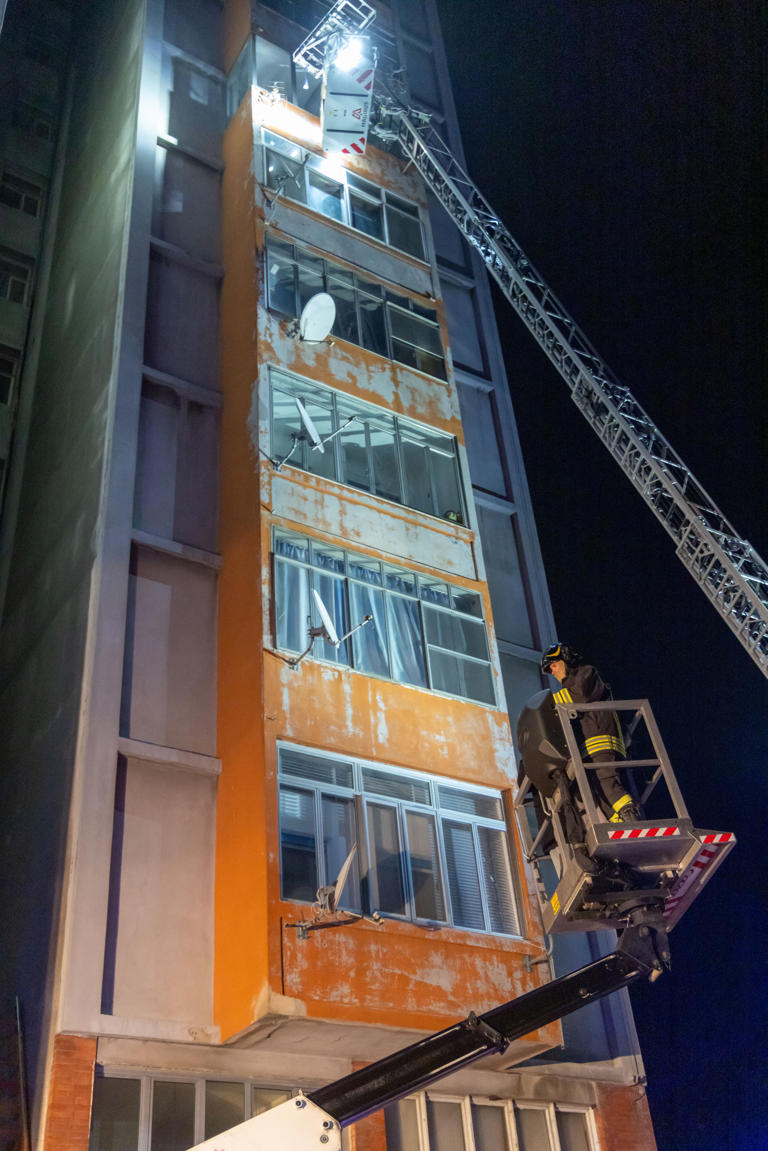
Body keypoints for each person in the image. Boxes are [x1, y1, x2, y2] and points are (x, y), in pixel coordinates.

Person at [540, 643, 642, 822]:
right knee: (599, 792)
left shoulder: (586, 673)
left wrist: (549, 705)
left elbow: (580, 695)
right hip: (590, 745)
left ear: (567, 660)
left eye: (554, 665)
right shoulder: (569, 687)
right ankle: (618, 822)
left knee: (608, 781)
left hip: (602, 738)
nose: (553, 672)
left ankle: (630, 817)